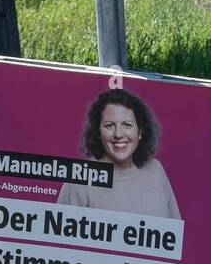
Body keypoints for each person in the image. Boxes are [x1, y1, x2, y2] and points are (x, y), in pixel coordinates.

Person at [57, 89, 181, 219]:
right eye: (109, 125)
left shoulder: (156, 170)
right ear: (98, 132)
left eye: (127, 125)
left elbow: (175, 234)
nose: (118, 134)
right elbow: (59, 234)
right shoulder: (79, 178)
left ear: (140, 132)